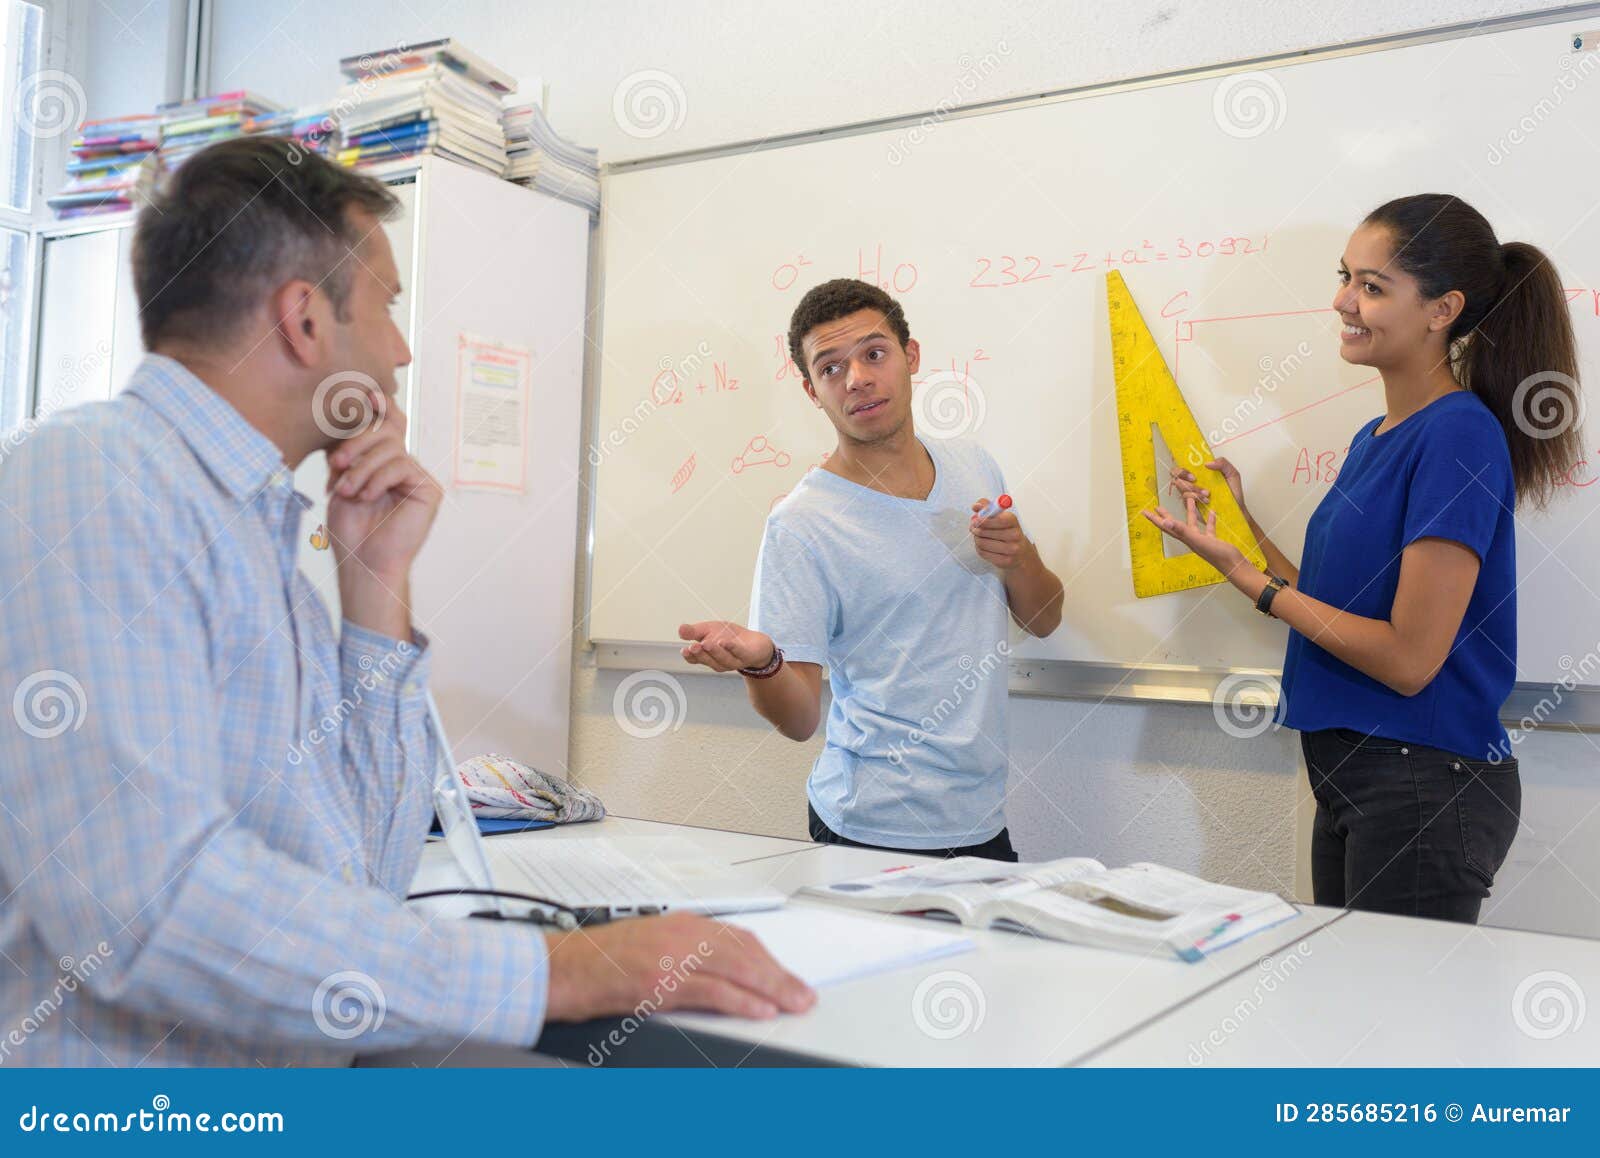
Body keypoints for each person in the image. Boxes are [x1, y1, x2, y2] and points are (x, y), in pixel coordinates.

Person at [0, 136, 811, 1066]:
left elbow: (363, 873)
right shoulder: (93, 478)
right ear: (305, 321)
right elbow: (147, 907)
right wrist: (559, 971)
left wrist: (374, 582)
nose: (403, 349)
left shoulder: (250, 528)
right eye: (386, 304)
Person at [1144, 193, 1583, 924]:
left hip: (1420, 783)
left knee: (1388, 1000)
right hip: (1358, 774)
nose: (1343, 301)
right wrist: (1240, 533)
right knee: (1349, 993)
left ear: (1442, 310)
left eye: (1372, 286)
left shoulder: (1457, 435)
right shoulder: (1376, 435)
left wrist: (1250, 582)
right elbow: (1328, 605)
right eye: (1345, 276)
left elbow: (1409, 660)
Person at [680, 279, 1064, 860]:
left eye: (874, 354)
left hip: (980, 819)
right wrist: (763, 664)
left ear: (911, 356)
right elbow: (800, 721)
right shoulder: (802, 524)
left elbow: (1045, 620)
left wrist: (1021, 557)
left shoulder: (974, 466)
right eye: (831, 368)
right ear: (812, 390)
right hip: (868, 825)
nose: (856, 378)